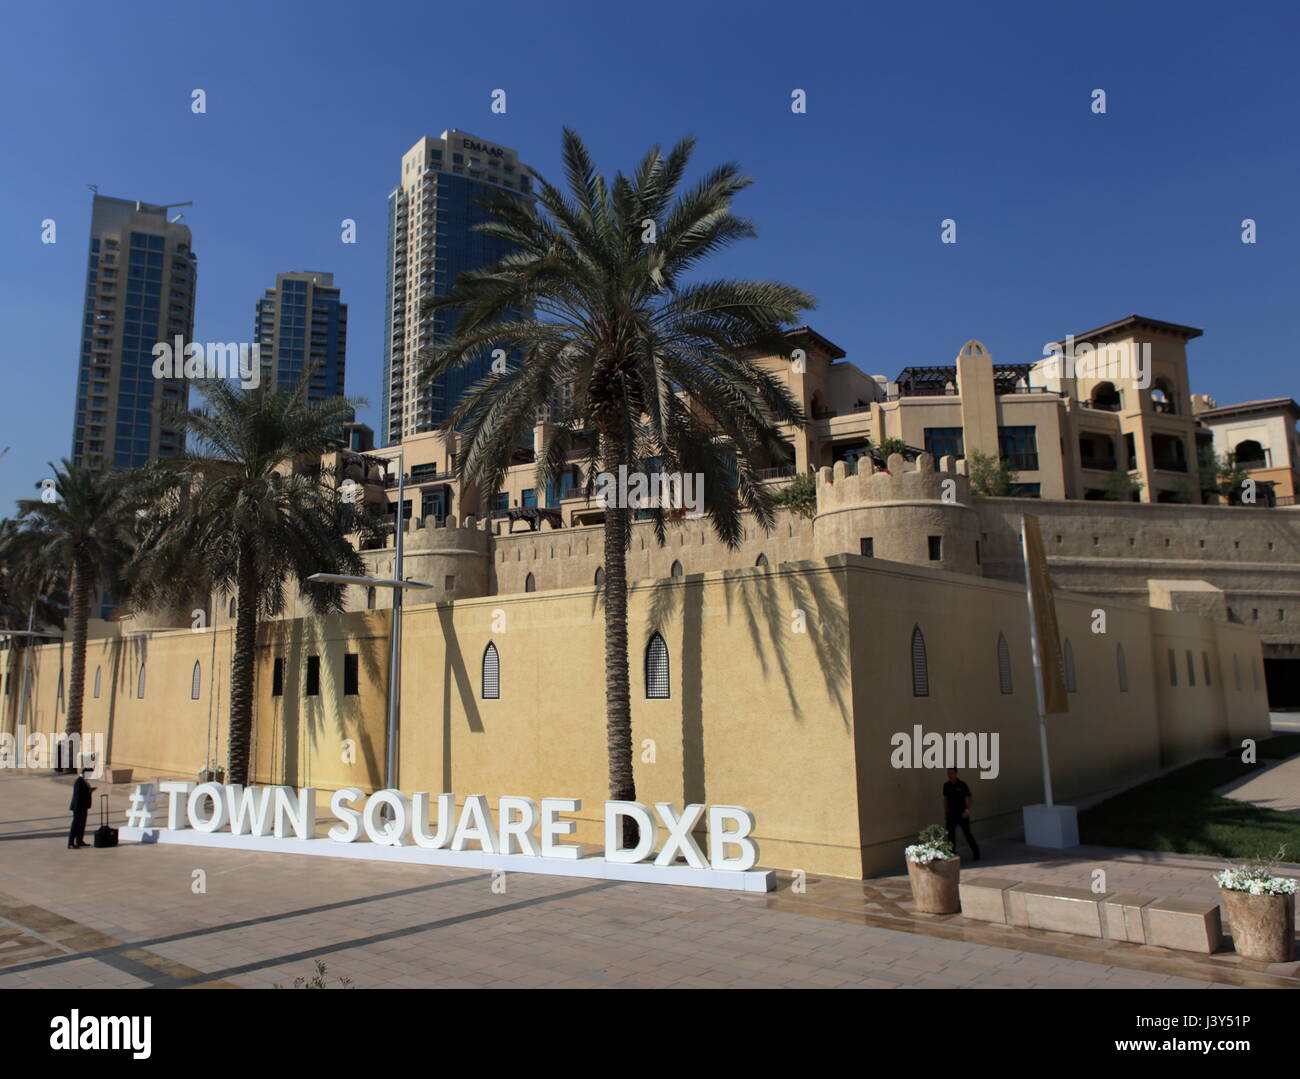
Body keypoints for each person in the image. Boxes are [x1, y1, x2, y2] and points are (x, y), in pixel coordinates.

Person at [942, 767, 980, 861]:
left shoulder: (962, 785)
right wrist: (946, 812)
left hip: (962, 813)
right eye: (948, 773)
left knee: (967, 833)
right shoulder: (946, 785)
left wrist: (967, 810)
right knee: (950, 836)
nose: (950, 775)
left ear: (956, 773)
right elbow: (945, 800)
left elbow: (970, 798)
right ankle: (952, 855)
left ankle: (976, 852)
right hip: (951, 813)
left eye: (951, 773)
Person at [68, 766, 95, 849]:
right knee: (75, 825)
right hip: (78, 807)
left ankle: (80, 841)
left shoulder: (84, 781)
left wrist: (90, 790)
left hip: (83, 806)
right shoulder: (79, 781)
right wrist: (89, 791)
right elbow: (78, 795)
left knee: (82, 825)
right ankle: (71, 843)